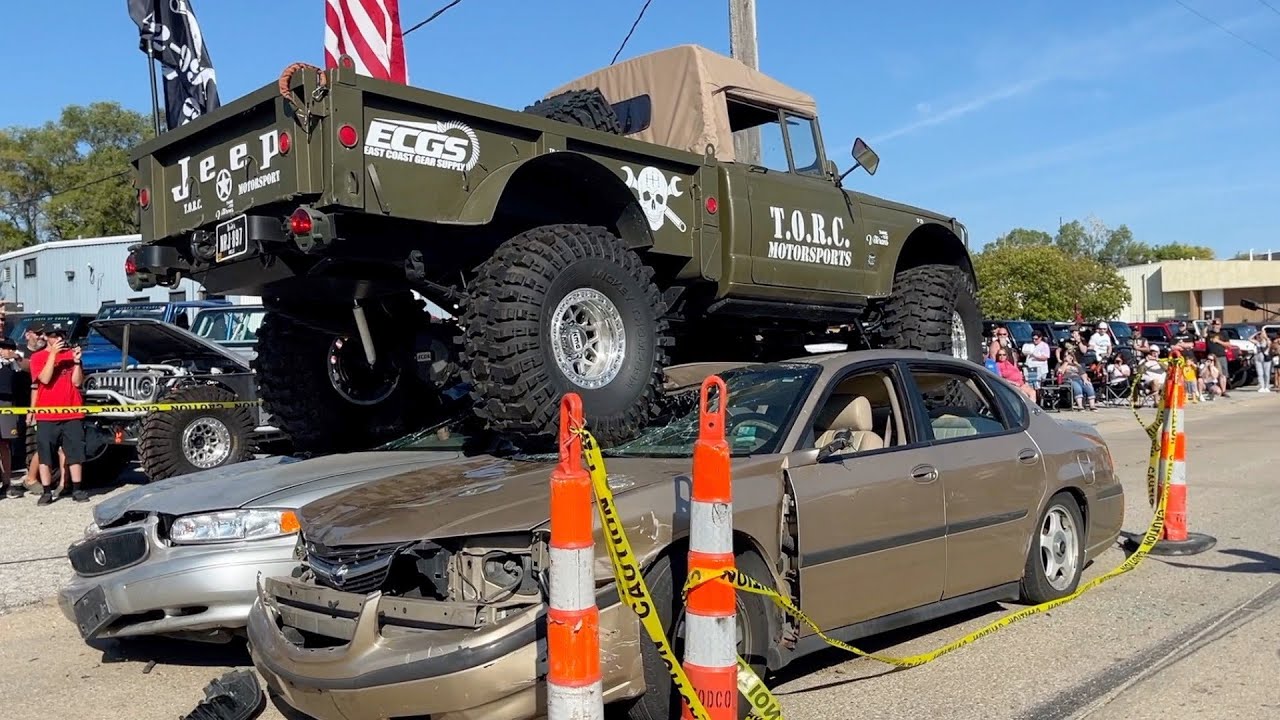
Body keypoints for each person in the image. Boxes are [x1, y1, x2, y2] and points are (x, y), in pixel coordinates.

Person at [30, 326, 86, 504]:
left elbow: (77, 382)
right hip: (47, 413)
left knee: (75, 451)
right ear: (46, 337)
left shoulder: (70, 355)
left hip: (72, 410)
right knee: (45, 452)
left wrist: (76, 362)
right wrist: (53, 355)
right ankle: (46, 491)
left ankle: (77, 488)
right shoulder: (37, 357)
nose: (59, 339)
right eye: (54, 336)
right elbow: (44, 379)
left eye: (61, 335)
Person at [0, 338, 19, 498]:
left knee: (5, 444)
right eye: (3, 348)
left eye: (9, 348)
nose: (6, 351)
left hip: (7, 403)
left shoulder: (15, 365)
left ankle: (7, 483)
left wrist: (15, 359)